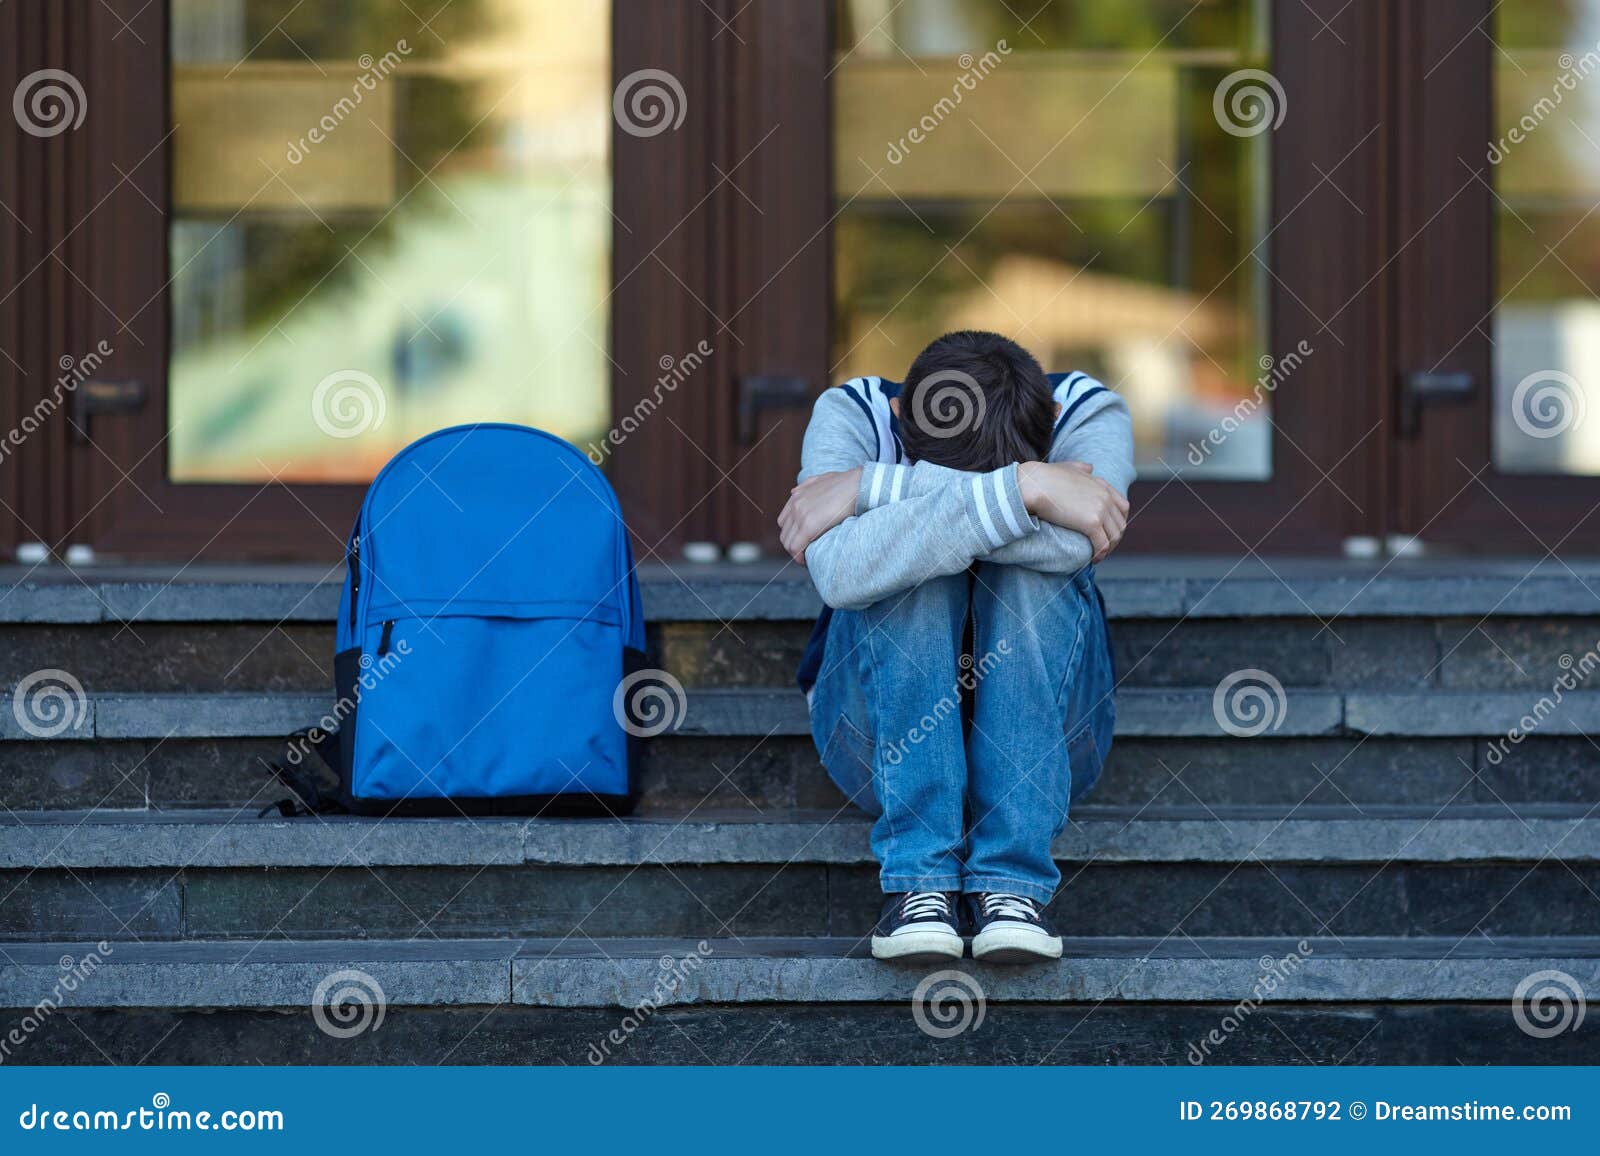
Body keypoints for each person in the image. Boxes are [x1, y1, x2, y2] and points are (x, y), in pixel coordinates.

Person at [778, 330, 1133, 963]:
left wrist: (870, 488)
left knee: (1032, 571)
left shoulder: (1084, 409)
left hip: (1054, 741)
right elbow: (838, 573)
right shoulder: (854, 412)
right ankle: (921, 883)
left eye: (1024, 473)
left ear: (1048, 426)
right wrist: (1027, 490)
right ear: (899, 417)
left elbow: (1075, 545)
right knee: (903, 565)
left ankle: (1011, 885)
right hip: (873, 741)